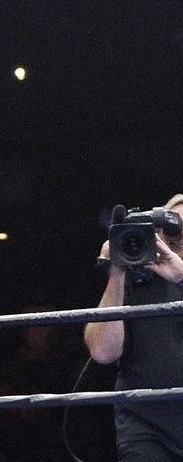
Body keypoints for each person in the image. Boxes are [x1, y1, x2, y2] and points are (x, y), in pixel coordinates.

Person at [84, 194, 183, 461]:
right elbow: (103, 353)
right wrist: (116, 272)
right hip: (146, 429)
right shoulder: (135, 281)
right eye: (173, 228)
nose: (179, 236)